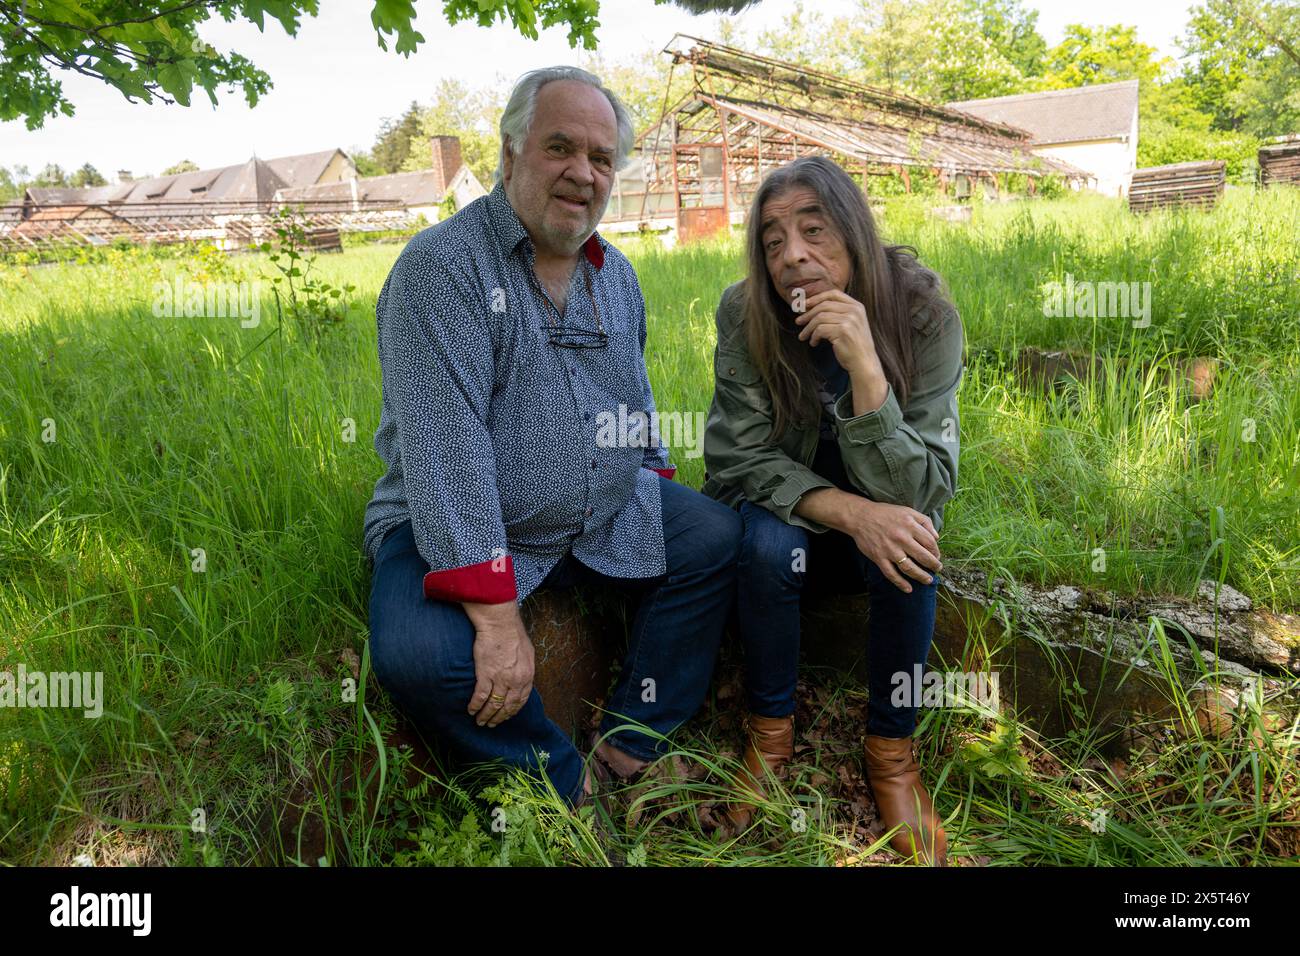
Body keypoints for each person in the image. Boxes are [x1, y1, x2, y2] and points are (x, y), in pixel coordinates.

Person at [363, 66, 742, 814]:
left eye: (602, 159)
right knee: (421, 658)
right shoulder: (441, 269)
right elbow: (447, 457)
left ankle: (633, 742)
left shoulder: (617, 274)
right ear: (510, 153)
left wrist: (656, 491)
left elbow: (634, 400)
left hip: (594, 513)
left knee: (715, 537)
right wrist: (498, 621)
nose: (583, 173)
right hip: (453, 522)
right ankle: (563, 790)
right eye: (560, 148)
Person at [701, 155, 964, 864]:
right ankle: (770, 737)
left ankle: (892, 759)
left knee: (912, 544)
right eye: (773, 240)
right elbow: (737, 456)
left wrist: (867, 370)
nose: (793, 256)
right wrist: (850, 513)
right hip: (787, 512)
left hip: (884, 506)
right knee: (764, 548)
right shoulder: (744, 310)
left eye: (814, 230)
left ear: (852, 229)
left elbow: (926, 486)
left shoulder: (923, 313)